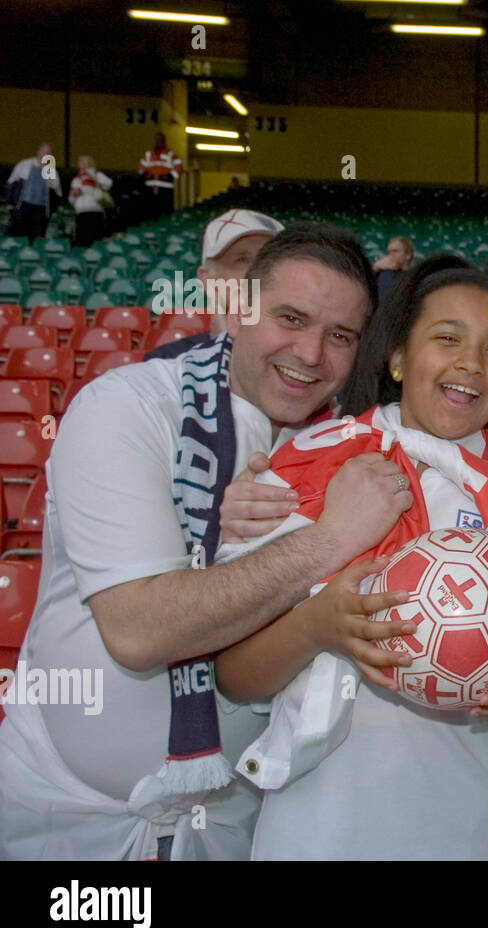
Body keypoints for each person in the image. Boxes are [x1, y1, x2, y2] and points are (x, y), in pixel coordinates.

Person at [0, 224, 402, 860]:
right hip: (70, 821)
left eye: (341, 336)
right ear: (239, 310)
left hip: (242, 821)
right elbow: (139, 630)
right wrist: (323, 542)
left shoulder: (354, 451)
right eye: (290, 318)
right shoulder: (125, 408)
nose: (310, 352)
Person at [213, 256, 488, 859]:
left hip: (470, 825)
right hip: (317, 828)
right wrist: (320, 625)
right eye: (447, 338)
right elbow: (234, 675)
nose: (470, 364)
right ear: (398, 356)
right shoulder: (305, 465)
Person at [146, 208, 285, 360]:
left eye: (267, 259)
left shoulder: (306, 354)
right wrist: (224, 345)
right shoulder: (170, 360)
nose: (258, 270)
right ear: (207, 279)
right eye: (241, 260)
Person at [6, 143, 62, 244]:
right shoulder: (24, 165)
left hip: (40, 208)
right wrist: (11, 203)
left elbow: (57, 192)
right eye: (45, 152)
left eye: (49, 153)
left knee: (37, 236)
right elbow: (12, 183)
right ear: (38, 152)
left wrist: (52, 209)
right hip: (22, 205)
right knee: (20, 233)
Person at [68, 155, 113, 248]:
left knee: (95, 240)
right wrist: (74, 195)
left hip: (94, 211)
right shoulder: (76, 179)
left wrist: (92, 175)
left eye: (85, 163)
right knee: (82, 241)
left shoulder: (97, 175)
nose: (82, 165)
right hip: (81, 212)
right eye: (80, 162)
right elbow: (71, 199)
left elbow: (109, 183)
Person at [139, 132, 181, 223]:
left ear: (164, 141)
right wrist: (144, 176)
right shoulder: (148, 155)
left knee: (166, 214)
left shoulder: (171, 155)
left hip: (165, 189)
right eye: (156, 139)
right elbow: (141, 169)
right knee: (150, 213)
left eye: (160, 139)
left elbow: (178, 168)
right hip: (150, 189)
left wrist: (169, 176)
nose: (158, 141)